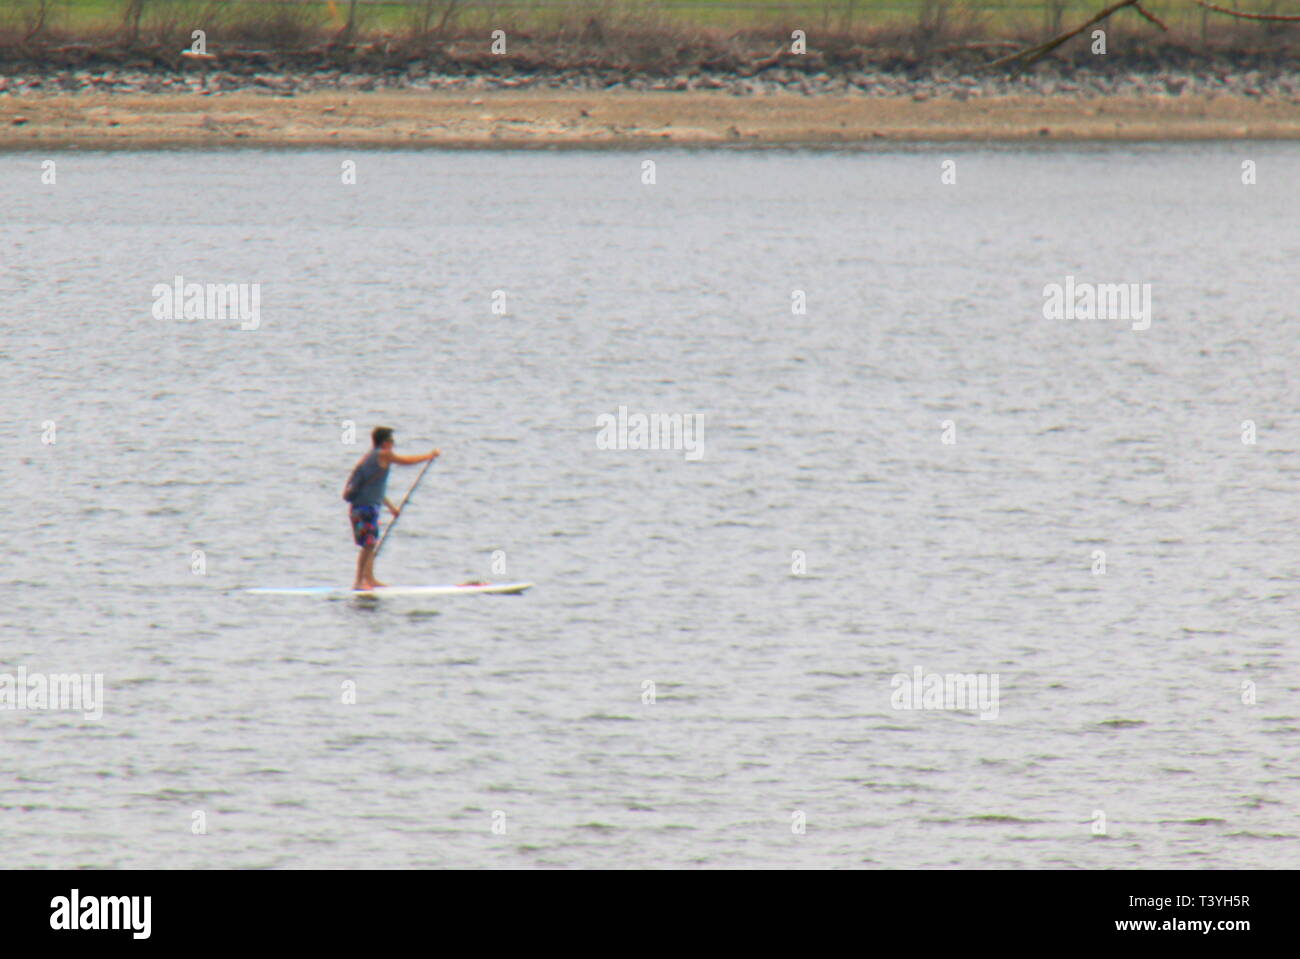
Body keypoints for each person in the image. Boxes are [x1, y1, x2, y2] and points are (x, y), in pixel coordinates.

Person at [343, 427, 438, 590]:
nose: (393, 445)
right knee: (368, 545)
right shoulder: (383, 454)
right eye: (392, 441)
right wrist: (429, 456)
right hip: (365, 509)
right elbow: (405, 461)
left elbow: (376, 490)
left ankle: (369, 579)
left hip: (361, 507)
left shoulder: (369, 457)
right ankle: (359, 582)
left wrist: (391, 508)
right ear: (386, 442)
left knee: (370, 543)